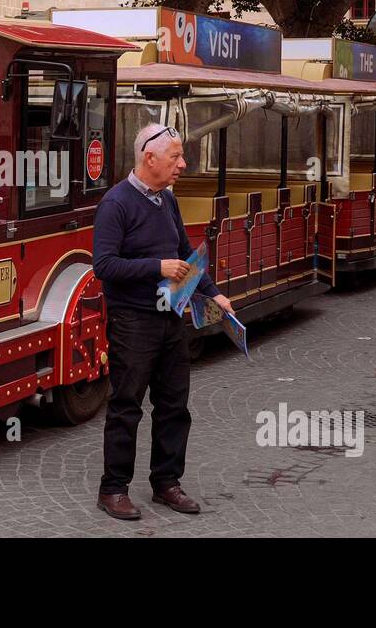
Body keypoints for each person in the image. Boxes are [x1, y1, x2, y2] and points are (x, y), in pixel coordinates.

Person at [91, 123, 235, 520]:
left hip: (171, 319)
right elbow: (104, 265)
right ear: (149, 159)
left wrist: (213, 293)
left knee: (174, 405)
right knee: (126, 406)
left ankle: (166, 483)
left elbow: (186, 257)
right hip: (133, 322)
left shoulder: (167, 201)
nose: (183, 164)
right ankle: (113, 489)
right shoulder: (116, 204)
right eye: (176, 157)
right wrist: (156, 266)